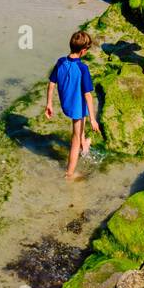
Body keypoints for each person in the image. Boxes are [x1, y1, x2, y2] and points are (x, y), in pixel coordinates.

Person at [44, 31, 100, 179]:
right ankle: (69, 173)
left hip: (66, 103)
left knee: (80, 127)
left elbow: (51, 83)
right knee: (75, 138)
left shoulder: (61, 61)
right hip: (77, 108)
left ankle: (84, 144)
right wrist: (93, 119)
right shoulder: (83, 68)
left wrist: (49, 104)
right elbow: (88, 96)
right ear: (83, 51)